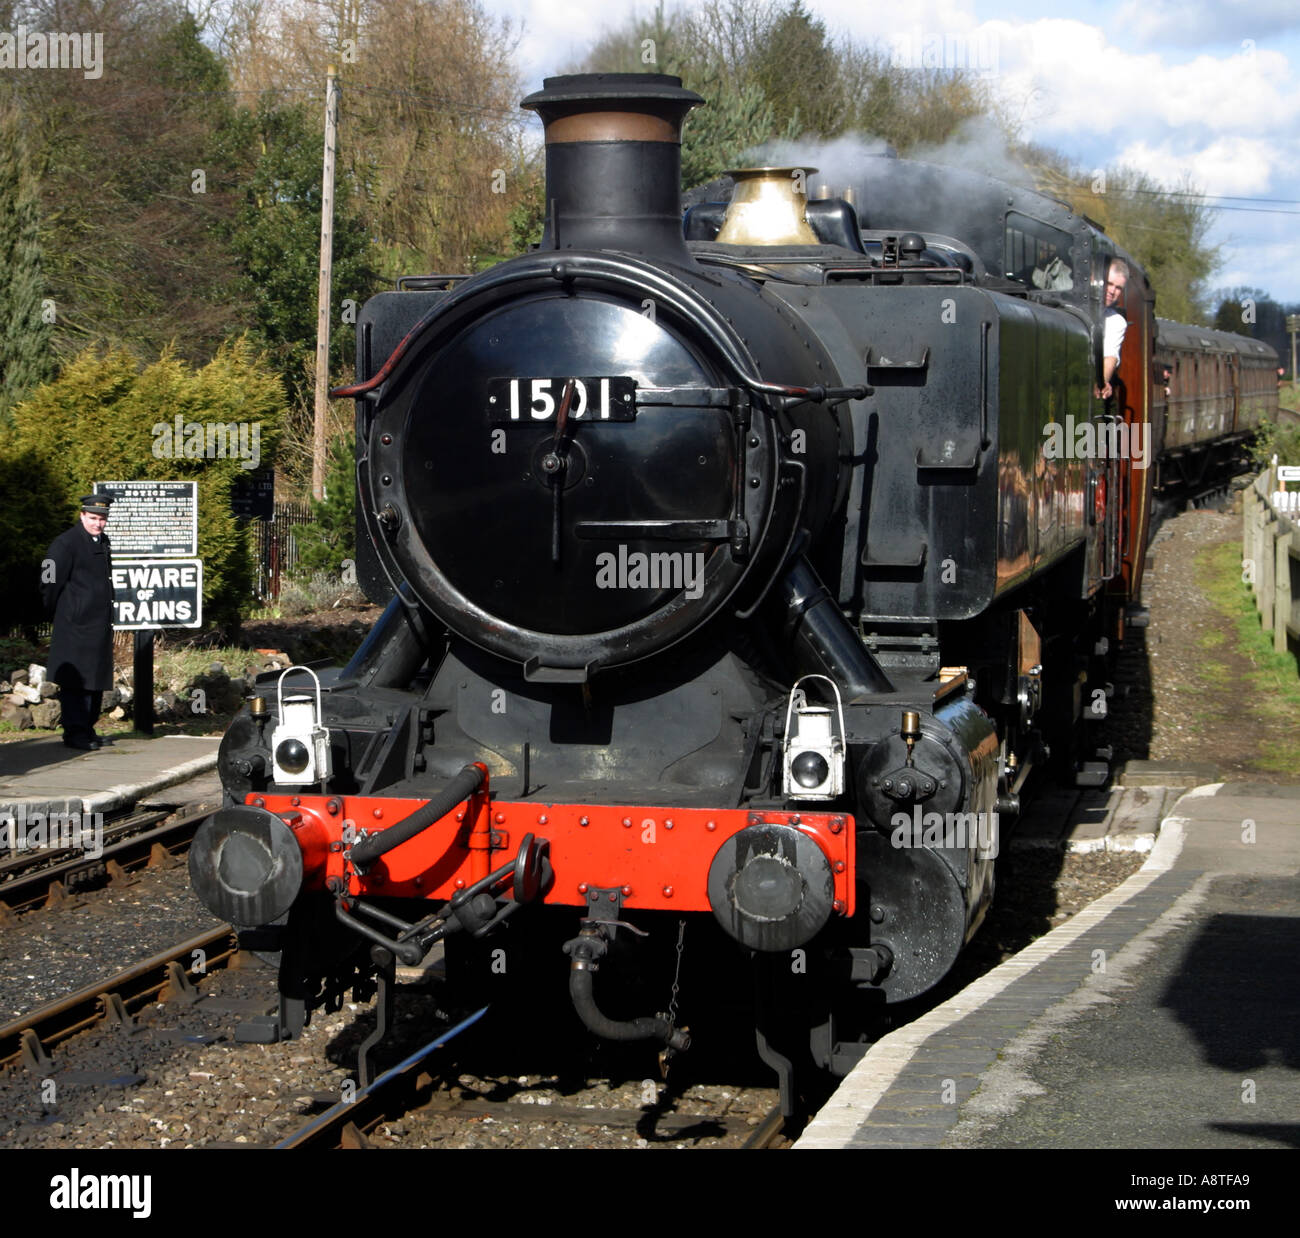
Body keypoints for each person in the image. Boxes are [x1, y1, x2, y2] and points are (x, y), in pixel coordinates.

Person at [42, 494, 116, 750]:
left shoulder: (102, 541)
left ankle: (88, 728)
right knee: (75, 684)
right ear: (82, 515)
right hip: (74, 625)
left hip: (97, 625)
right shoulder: (65, 543)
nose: (98, 523)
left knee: (94, 680)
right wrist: (60, 610)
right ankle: (75, 733)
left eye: (102, 518)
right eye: (93, 518)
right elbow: (49, 578)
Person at [1096, 257, 1129, 400]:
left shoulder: (1116, 321)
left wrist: (1101, 382)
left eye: (1118, 288)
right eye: (1109, 284)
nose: (1112, 291)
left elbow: (1110, 356)